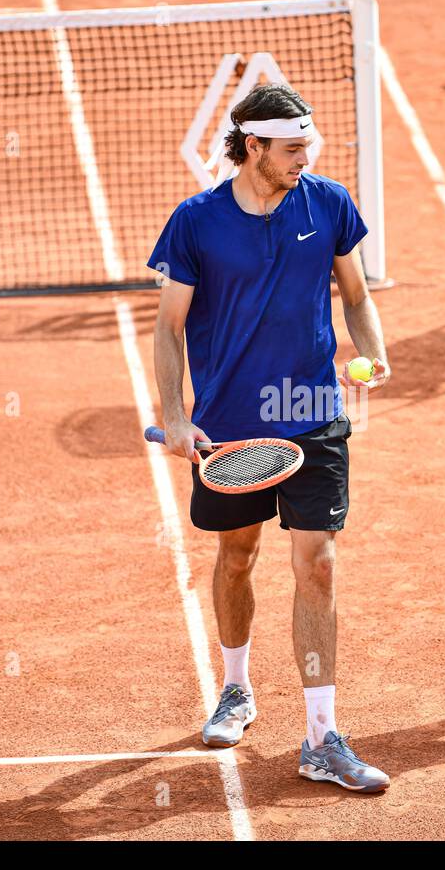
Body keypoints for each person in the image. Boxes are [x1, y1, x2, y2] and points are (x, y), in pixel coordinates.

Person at [149, 83, 392, 791]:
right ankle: (236, 686)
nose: (305, 159)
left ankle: (322, 737)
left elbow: (355, 294)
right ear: (252, 147)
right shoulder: (196, 222)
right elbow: (167, 328)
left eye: (308, 147)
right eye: (291, 150)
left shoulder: (328, 202)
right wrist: (175, 411)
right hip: (228, 422)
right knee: (238, 555)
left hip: (314, 409)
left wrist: (371, 352)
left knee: (317, 564)